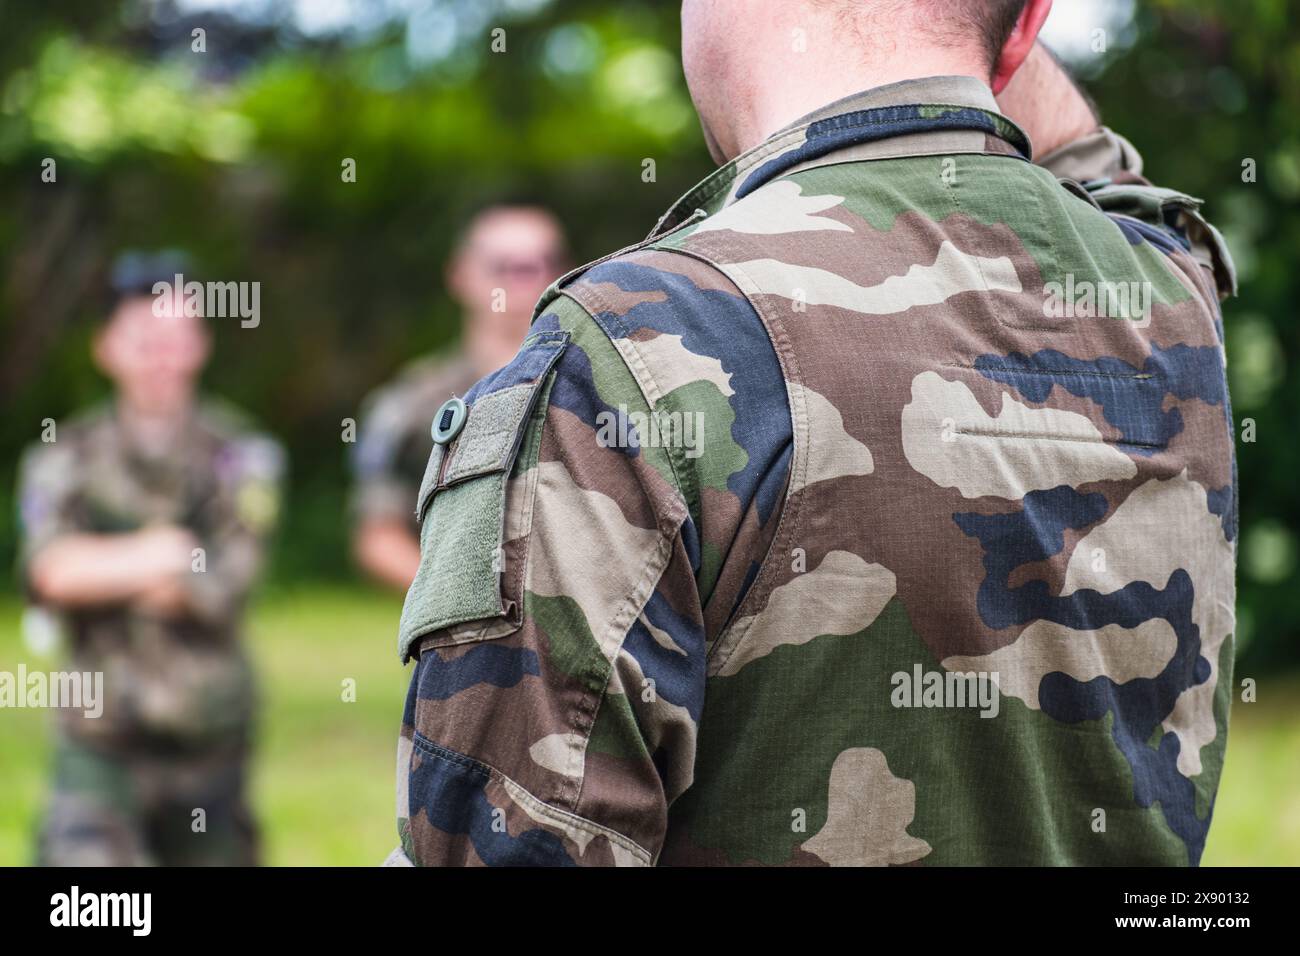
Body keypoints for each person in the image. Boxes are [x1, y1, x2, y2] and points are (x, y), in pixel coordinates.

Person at [389, 0, 1237, 866]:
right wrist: (996, 39)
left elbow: (494, 843)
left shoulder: (633, 343)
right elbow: (1105, 173)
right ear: (1027, 31)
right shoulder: (1169, 300)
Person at [17, 252, 284, 866]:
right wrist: (163, 552)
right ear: (104, 348)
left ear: (201, 344)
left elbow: (226, 584)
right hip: (100, 743)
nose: (160, 356)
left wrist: (101, 569)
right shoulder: (63, 457)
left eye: (175, 337)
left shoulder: (243, 456)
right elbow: (49, 573)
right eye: (141, 338)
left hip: (210, 744)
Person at [351, 204, 569, 591]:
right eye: (503, 265)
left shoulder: (597, 387)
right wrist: (460, 602)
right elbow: (378, 536)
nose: (523, 279)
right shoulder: (412, 402)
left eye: (540, 262)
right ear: (460, 275)